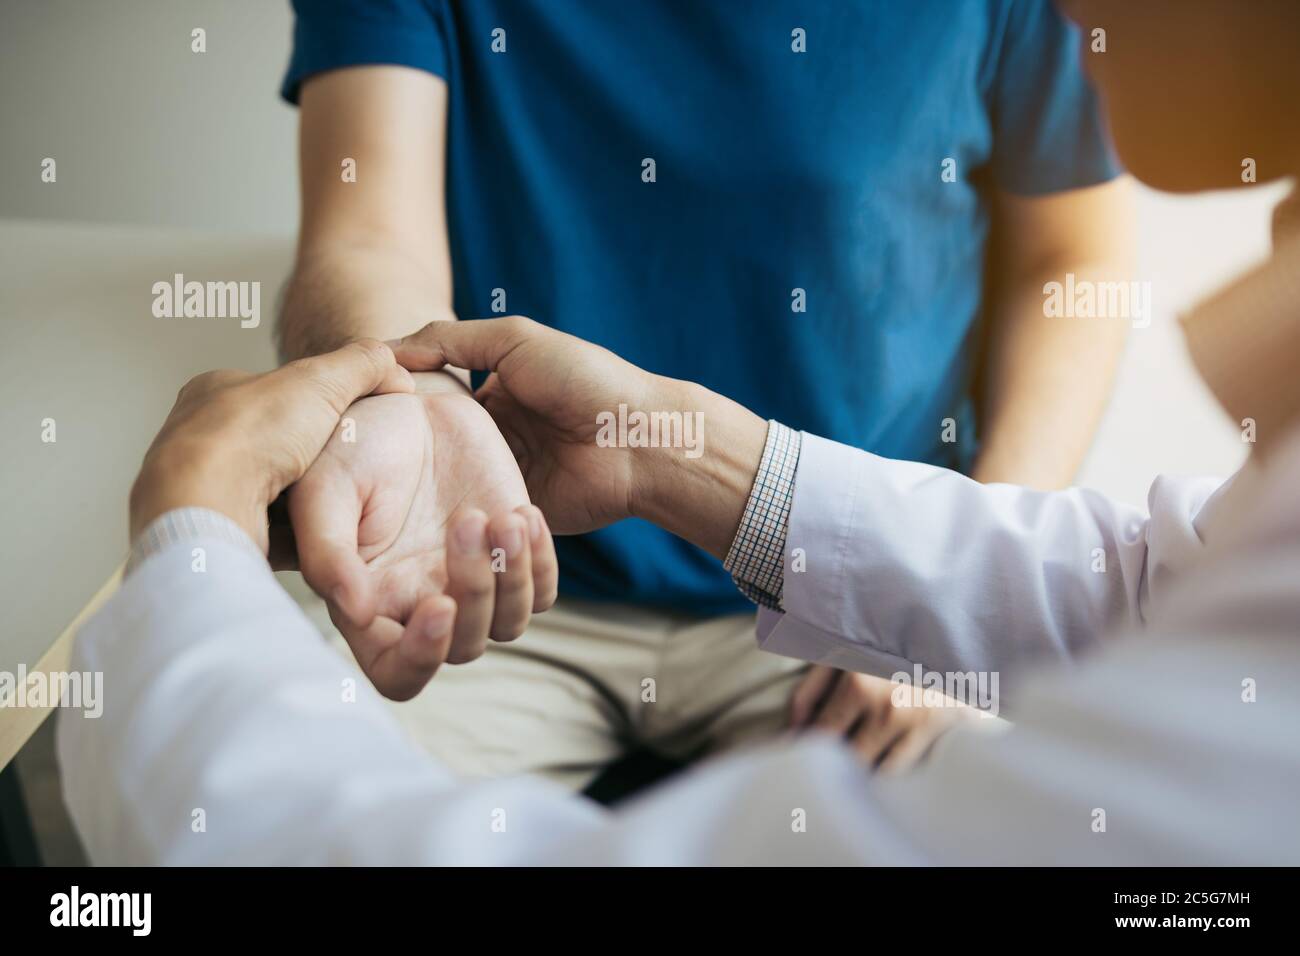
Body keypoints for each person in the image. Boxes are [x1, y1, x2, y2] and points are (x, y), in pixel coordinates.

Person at [59, 0, 1300, 864]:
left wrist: (194, 538)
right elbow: (1145, 574)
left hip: (809, 655)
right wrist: (676, 457)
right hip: (515, 581)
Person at [276, 0, 1132, 781]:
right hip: (495, 576)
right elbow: (366, 236)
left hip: (850, 586)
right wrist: (405, 406)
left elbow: (1077, 260)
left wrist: (953, 592)